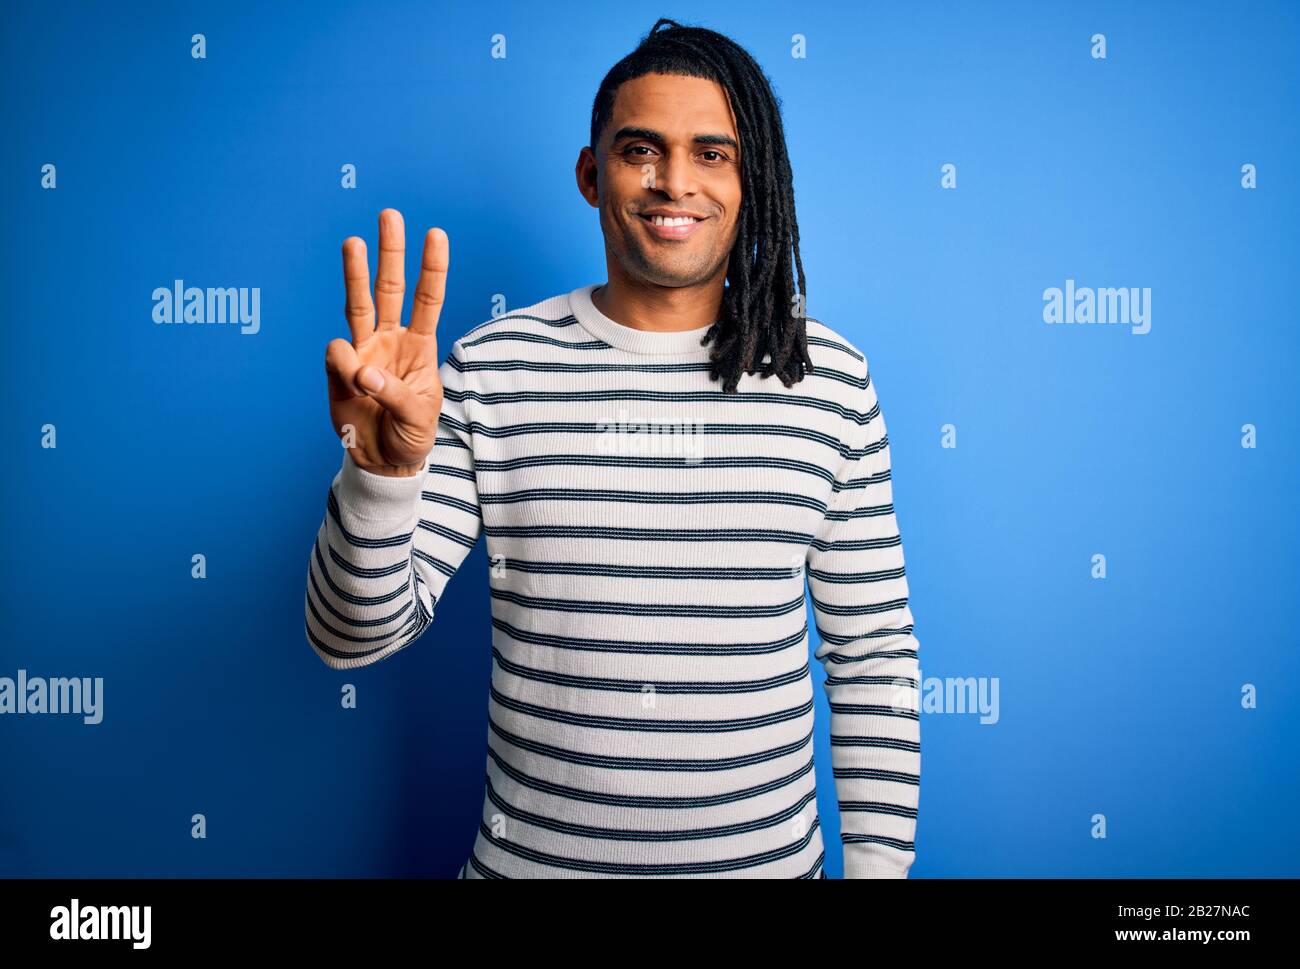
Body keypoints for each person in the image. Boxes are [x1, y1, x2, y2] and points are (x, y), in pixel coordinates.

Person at [305, 17, 921, 879]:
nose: (675, 182)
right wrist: (378, 476)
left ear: (755, 180)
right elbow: (349, 640)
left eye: (713, 153)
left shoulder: (824, 377)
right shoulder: (491, 367)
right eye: (642, 150)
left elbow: (874, 655)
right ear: (593, 177)